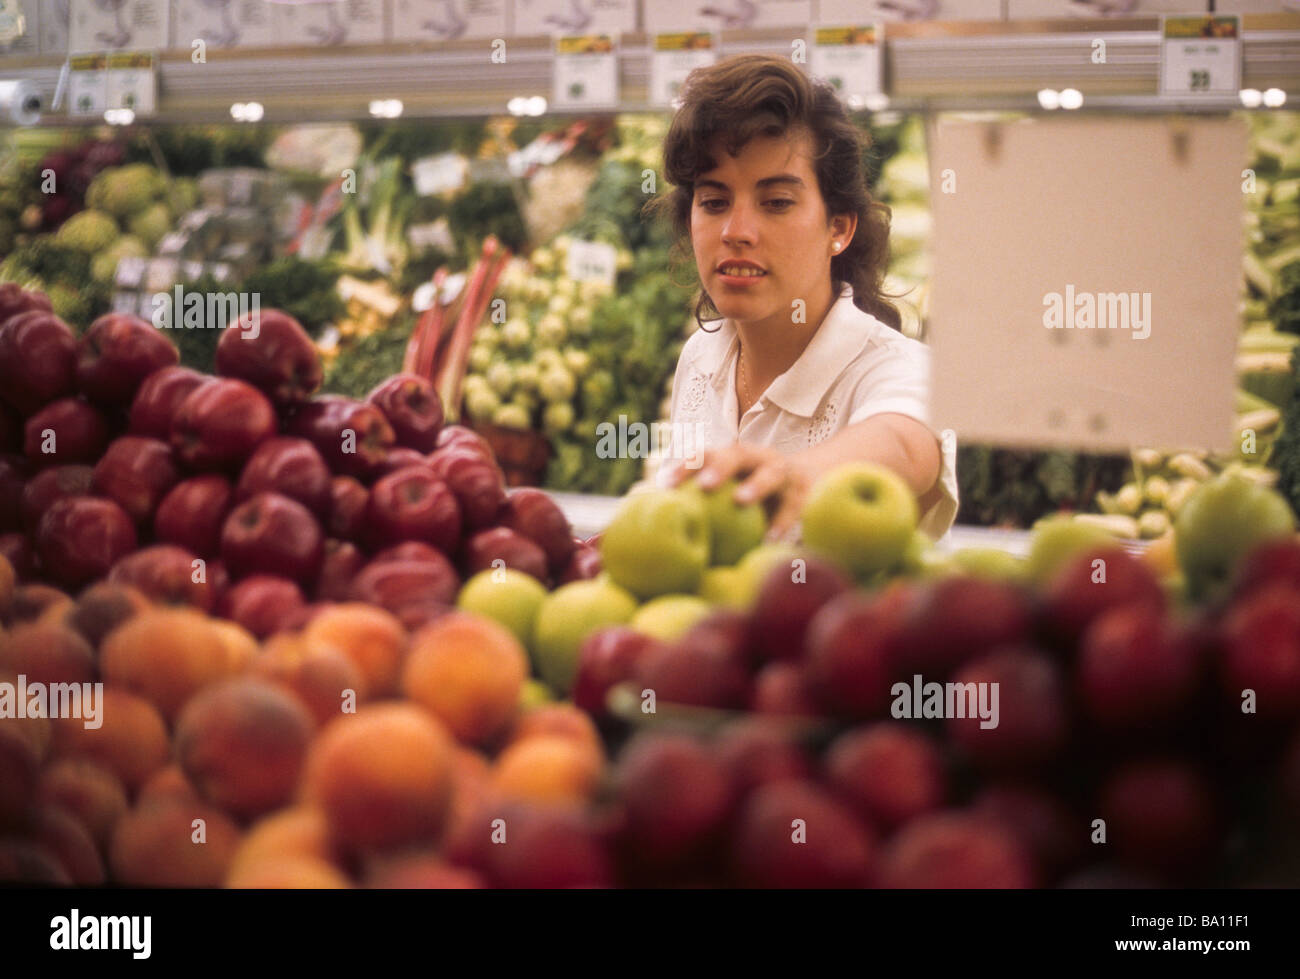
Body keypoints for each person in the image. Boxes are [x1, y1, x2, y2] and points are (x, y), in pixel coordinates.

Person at [651, 53, 958, 541]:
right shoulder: (701, 357)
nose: (736, 231)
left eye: (776, 203)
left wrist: (797, 476)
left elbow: (905, 443)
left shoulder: (900, 369)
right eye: (714, 202)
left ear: (837, 228)